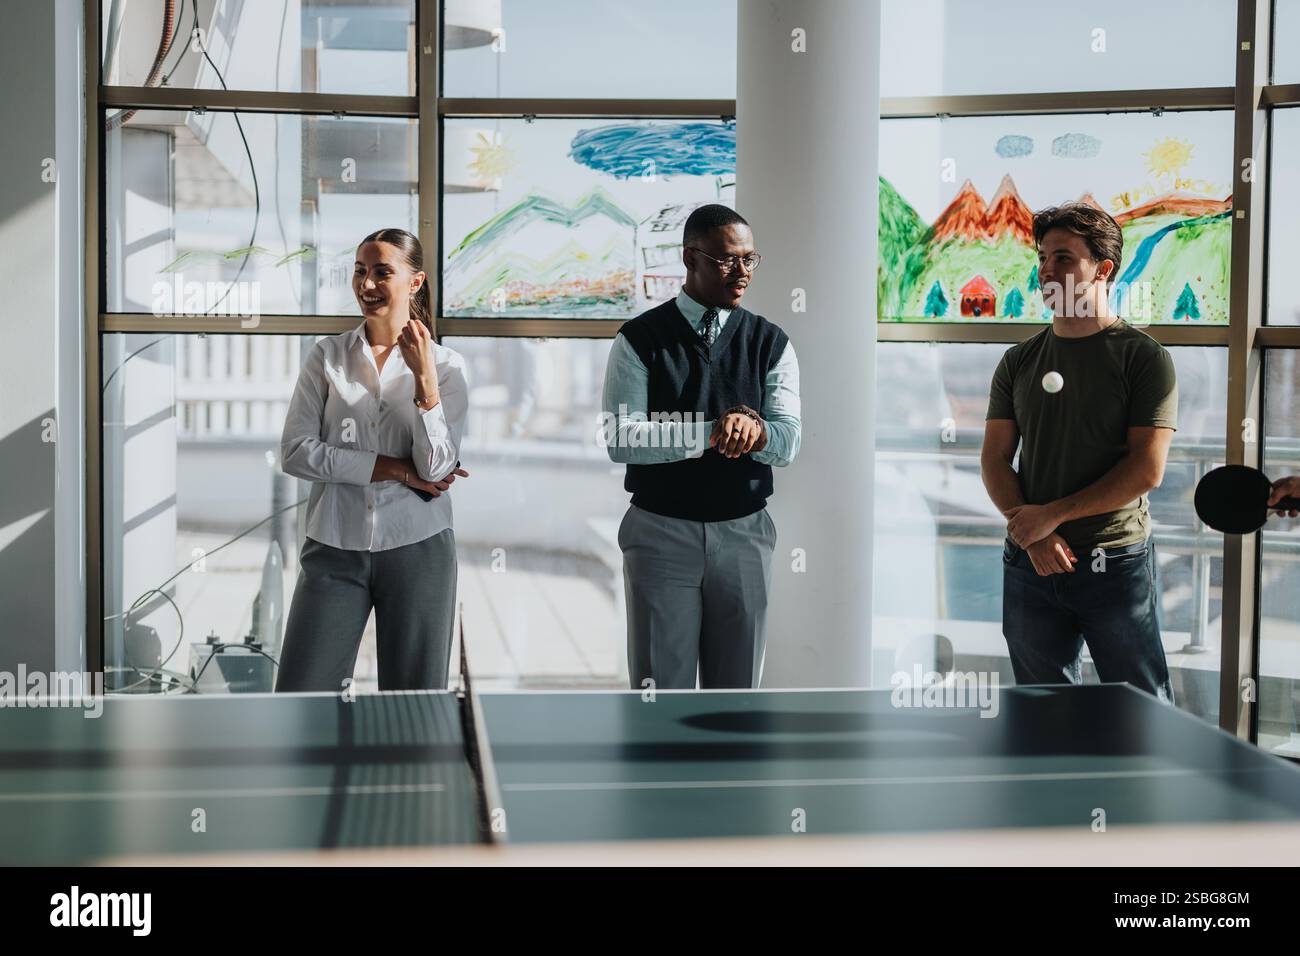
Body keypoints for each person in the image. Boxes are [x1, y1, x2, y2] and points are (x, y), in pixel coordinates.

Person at [980, 203, 1178, 701]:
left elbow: (1146, 469)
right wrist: (1032, 533)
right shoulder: (1018, 360)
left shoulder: (1144, 358)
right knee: (1042, 712)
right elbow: (995, 459)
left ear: (1103, 269)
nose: (1047, 270)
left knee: (1141, 710)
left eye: (1064, 258)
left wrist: (1049, 518)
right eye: (1043, 257)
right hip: (1030, 562)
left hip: (1114, 561)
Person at [601, 204, 801, 690]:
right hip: (659, 535)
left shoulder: (771, 342)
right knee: (658, 691)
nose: (742, 272)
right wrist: (712, 431)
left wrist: (753, 432)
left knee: (737, 699)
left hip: (746, 536)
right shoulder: (639, 339)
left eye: (750, 260)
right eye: (727, 260)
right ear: (690, 258)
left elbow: (788, 440)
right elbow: (621, 437)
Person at [275, 228, 469, 693]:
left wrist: (425, 382)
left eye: (383, 272)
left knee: (413, 703)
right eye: (360, 272)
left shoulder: (446, 366)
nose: (367, 285)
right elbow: (296, 452)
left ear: (415, 282)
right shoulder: (327, 356)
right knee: (303, 694)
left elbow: (438, 469)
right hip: (334, 545)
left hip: (419, 548)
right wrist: (394, 468)